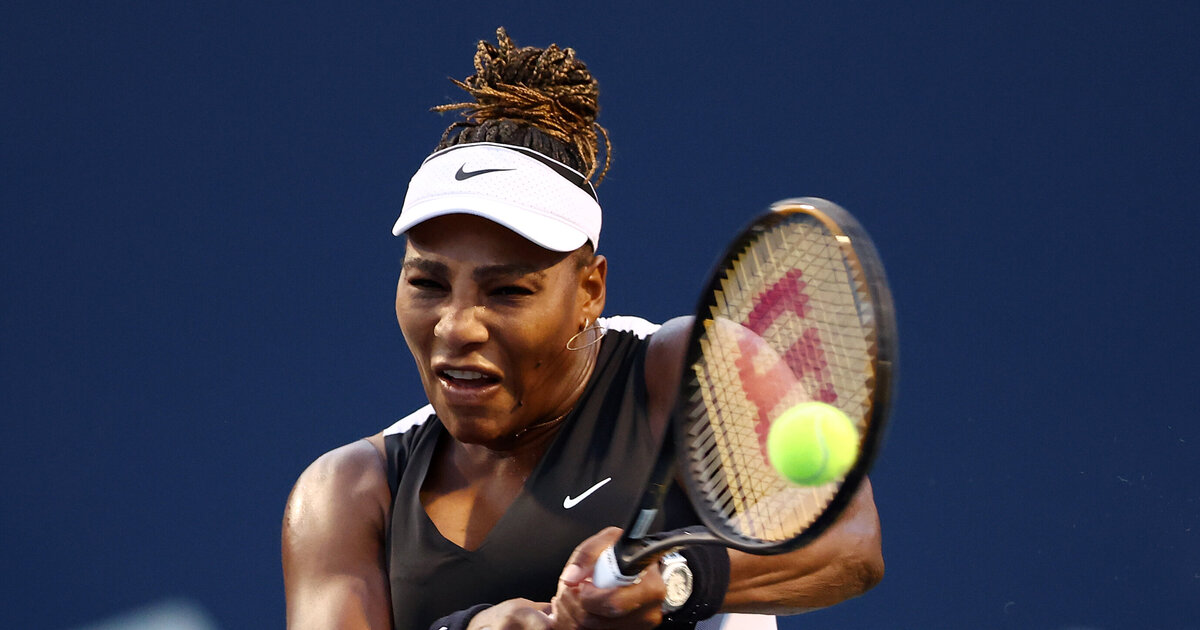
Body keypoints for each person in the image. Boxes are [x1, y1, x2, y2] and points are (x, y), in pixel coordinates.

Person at [282, 28, 883, 630]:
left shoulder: (682, 372)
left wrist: (677, 578)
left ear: (590, 290)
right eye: (427, 284)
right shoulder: (347, 493)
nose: (457, 326)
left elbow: (851, 541)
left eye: (508, 291)